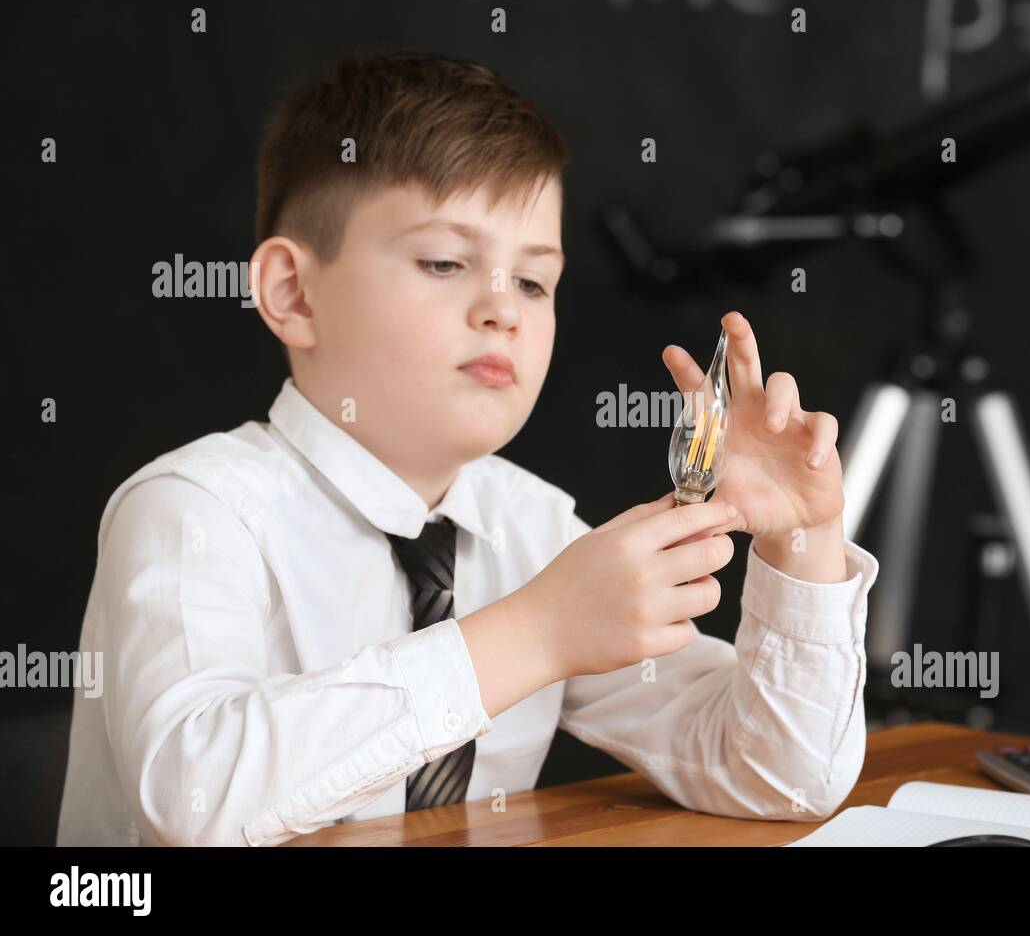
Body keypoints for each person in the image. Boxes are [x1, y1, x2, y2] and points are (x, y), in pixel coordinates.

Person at [56, 50, 880, 846]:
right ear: (293, 293)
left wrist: (799, 544)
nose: (503, 310)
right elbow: (192, 800)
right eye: (447, 261)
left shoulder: (531, 529)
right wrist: (536, 632)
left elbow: (783, 780)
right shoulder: (195, 511)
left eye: (532, 281)